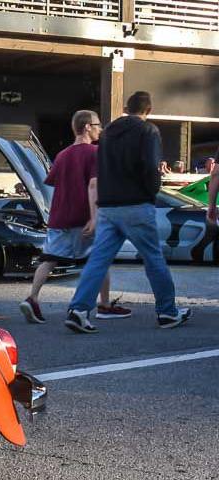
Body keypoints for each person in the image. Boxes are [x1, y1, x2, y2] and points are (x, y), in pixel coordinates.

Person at [65, 92, 189, 333]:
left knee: (99, 260)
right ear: (148, 110)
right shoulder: (148, 131)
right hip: (136, 204)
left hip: (109, 206)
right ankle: (167, 312)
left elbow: (100, 167)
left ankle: (78, 310)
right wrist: (151, 192)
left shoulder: (108, 132)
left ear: (125, 108)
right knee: (153, 258)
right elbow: (150, 166)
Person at [19, 110, 130, 324]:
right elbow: (93, 184)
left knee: (49, 259)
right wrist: (94, 217)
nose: (100, 129)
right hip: (83, 217)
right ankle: (104, 305)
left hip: (59, 217)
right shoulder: (94, 153)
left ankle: (32, 298)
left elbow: (51, 184)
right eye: (98, 125)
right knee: (101, 258)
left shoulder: (62, 155)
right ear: (87, 126)